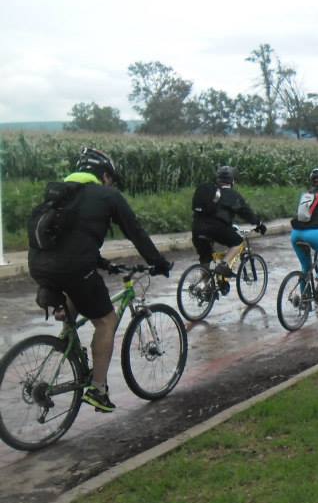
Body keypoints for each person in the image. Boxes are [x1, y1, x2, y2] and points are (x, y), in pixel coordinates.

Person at [27, 147, 173, 413]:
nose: (112, 183)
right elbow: (136, 233)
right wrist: (159, 262)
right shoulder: (107, 195)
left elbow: (69, 240)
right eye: (111, 179)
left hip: (39, 267)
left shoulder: (60, 194)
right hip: (73, 269)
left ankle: (66, 336)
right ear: (104, 175)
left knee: (76, 287)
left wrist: (102, 263)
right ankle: (98, 389)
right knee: (106, 321)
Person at [191, 165, 266, 279]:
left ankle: (203, 288)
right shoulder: (232, 195)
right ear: (232, 181)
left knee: (206, 259)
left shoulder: (210, 191)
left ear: (218, 179)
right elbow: (246, 212)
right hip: (216, 228)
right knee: (237, 242)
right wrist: (258, 224)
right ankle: (224, 265)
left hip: (197, 228)